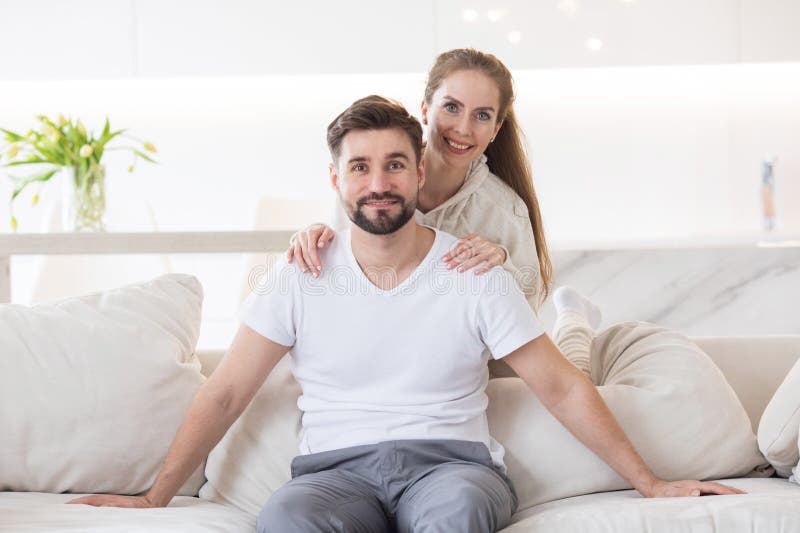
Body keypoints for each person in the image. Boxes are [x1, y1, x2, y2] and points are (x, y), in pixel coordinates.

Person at [66, 96, 743, 532]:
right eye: (360, 167)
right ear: (337, 181)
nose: (379, 181)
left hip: (453, 470)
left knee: (456, 514)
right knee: (287, 521)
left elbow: (562, 384)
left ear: (419, 173)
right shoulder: (299, 275)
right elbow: (225, 392)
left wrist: (651, 482)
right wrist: (156, 496)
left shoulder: (475, 271)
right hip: (333, 477)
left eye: (394, 163)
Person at [288, 48, 551, 310]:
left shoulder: (505, 212)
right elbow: (343, 273)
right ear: (425, 109)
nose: (463, 129)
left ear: (495, 128)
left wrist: (502, 264)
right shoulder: (371, 186)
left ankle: (574, 320)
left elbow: (527, 315)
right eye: (451, 107)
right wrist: (320, 239)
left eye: (482, 115)